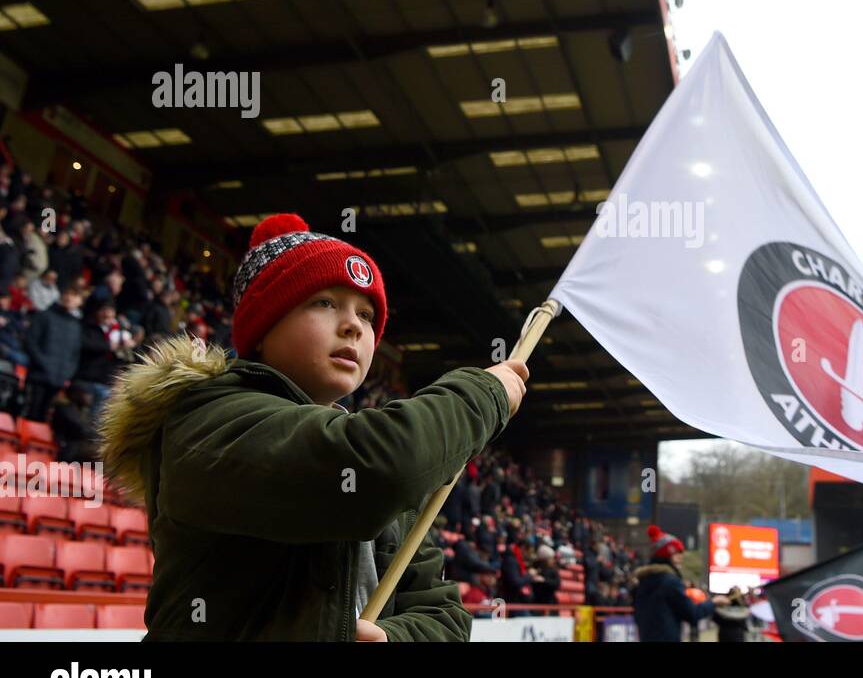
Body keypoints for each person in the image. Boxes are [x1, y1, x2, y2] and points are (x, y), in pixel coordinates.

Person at [98, 213, 530, 641]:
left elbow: (445, 615)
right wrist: (483, 394)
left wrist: (393, 638)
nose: (354, 326)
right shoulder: (208, 417)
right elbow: (377, 468)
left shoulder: (361, 442)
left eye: (367, 314)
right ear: (263, 327)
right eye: (324, 302)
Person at [632, 525, 725, 642]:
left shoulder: (643, 581)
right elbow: (692, 613)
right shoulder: (670, 582)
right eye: (676, 554)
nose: (681, 558)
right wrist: (713, 602)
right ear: (666, 556)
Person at [22, 286, 85, 422]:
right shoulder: (44, 316)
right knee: (31, 413)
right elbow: (30, 342)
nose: (70, 298)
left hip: (58, 380)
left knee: (44, 419)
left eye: (75, 296)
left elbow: (75, 354)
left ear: (80, 301)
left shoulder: (76, 326)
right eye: (68, 293)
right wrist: (43, 364)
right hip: (38, 376)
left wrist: (67, 373)